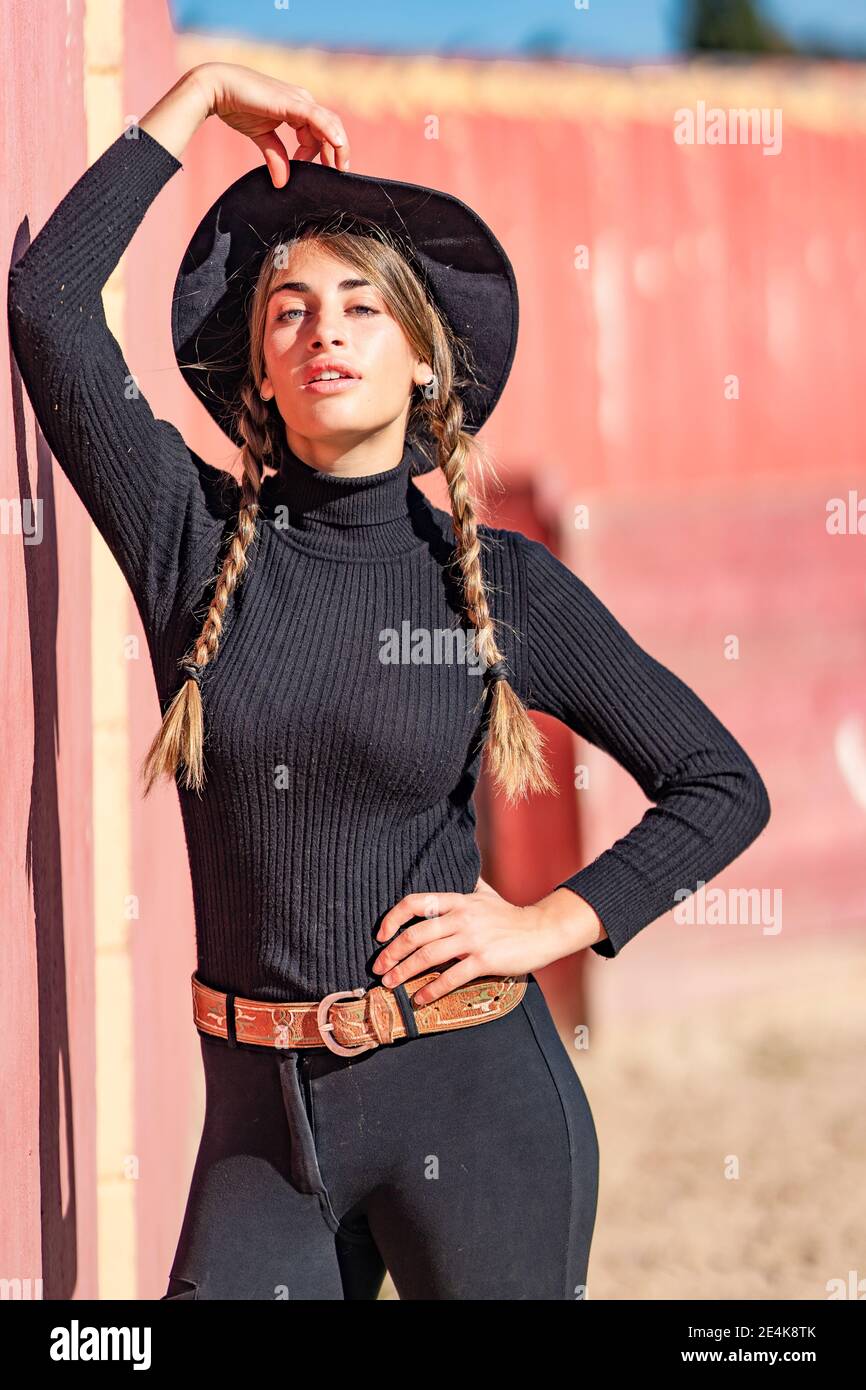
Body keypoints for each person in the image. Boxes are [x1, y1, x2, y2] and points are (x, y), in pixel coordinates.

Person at [8, 62, 771, 1301]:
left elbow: (717, 785)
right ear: (257, 372)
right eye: (289, 311)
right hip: (259, 1135)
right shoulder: (186, 543)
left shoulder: (499, 586)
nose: (324, 335)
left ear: (424, 363)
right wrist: (195, 101)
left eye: (363, 309)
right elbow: (48, 305)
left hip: (477, 1108)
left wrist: (545, 925)